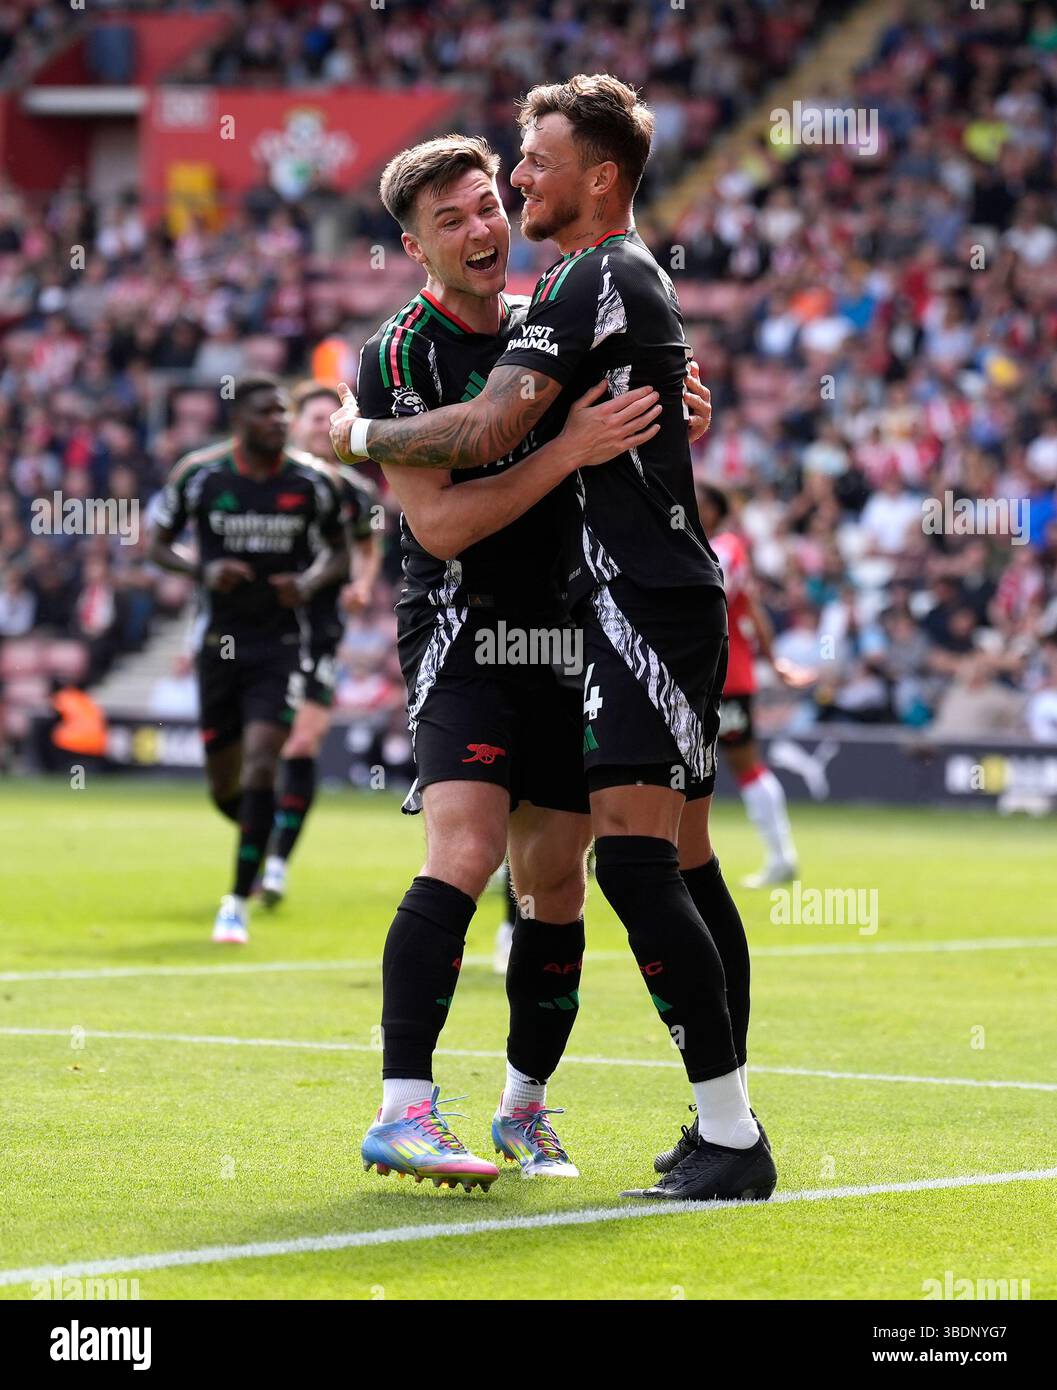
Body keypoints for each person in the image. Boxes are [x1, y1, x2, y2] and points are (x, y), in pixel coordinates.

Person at [332, 78, 776, 1203]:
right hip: (469, 630)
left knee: (568, 886)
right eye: (455, 217)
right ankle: (404, 1107)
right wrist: (362, 430)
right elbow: (437, 517)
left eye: (494, 197)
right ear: (413, 246)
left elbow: (612, 376)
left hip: (585, 622)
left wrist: (661, 403)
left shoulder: (569, 296)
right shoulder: (397, 353)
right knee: (472, 852)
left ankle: (529, 1109)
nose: (488, 220)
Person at [149, 376, 348, 944]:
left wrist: (307, 583)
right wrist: (202, 570)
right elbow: (158, 544)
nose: (279, 423)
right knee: (224, 786)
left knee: (265, 761)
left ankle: (235, 899)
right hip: (217, 644)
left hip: (282, 645)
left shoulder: (313, 482)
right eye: (267, 413)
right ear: (238, 420)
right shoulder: (200, 475)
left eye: (284, 413)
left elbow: (338, 553)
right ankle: (261, 840)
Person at [258, 381, 384, 906]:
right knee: (255, 752)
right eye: (310, 417)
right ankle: (257, 836)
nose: (318, 425)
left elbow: (367, 547)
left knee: (301, 742)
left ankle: (277, 862)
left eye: (325, 418)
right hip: (259, 629)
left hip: (317, 629)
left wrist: (360, 583)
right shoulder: (269, 479)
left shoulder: (357, 492)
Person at [697, 484, 806, 886]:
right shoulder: (704, 543)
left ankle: (781, 856)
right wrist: (774, 660)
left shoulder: (726, 547)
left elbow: (705, 593)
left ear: (717, 510)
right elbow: (753, 609)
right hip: (706, 674)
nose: (691, 503)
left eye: (702, 501)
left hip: (724, 677)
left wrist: (772, 660)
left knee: (745, 765)